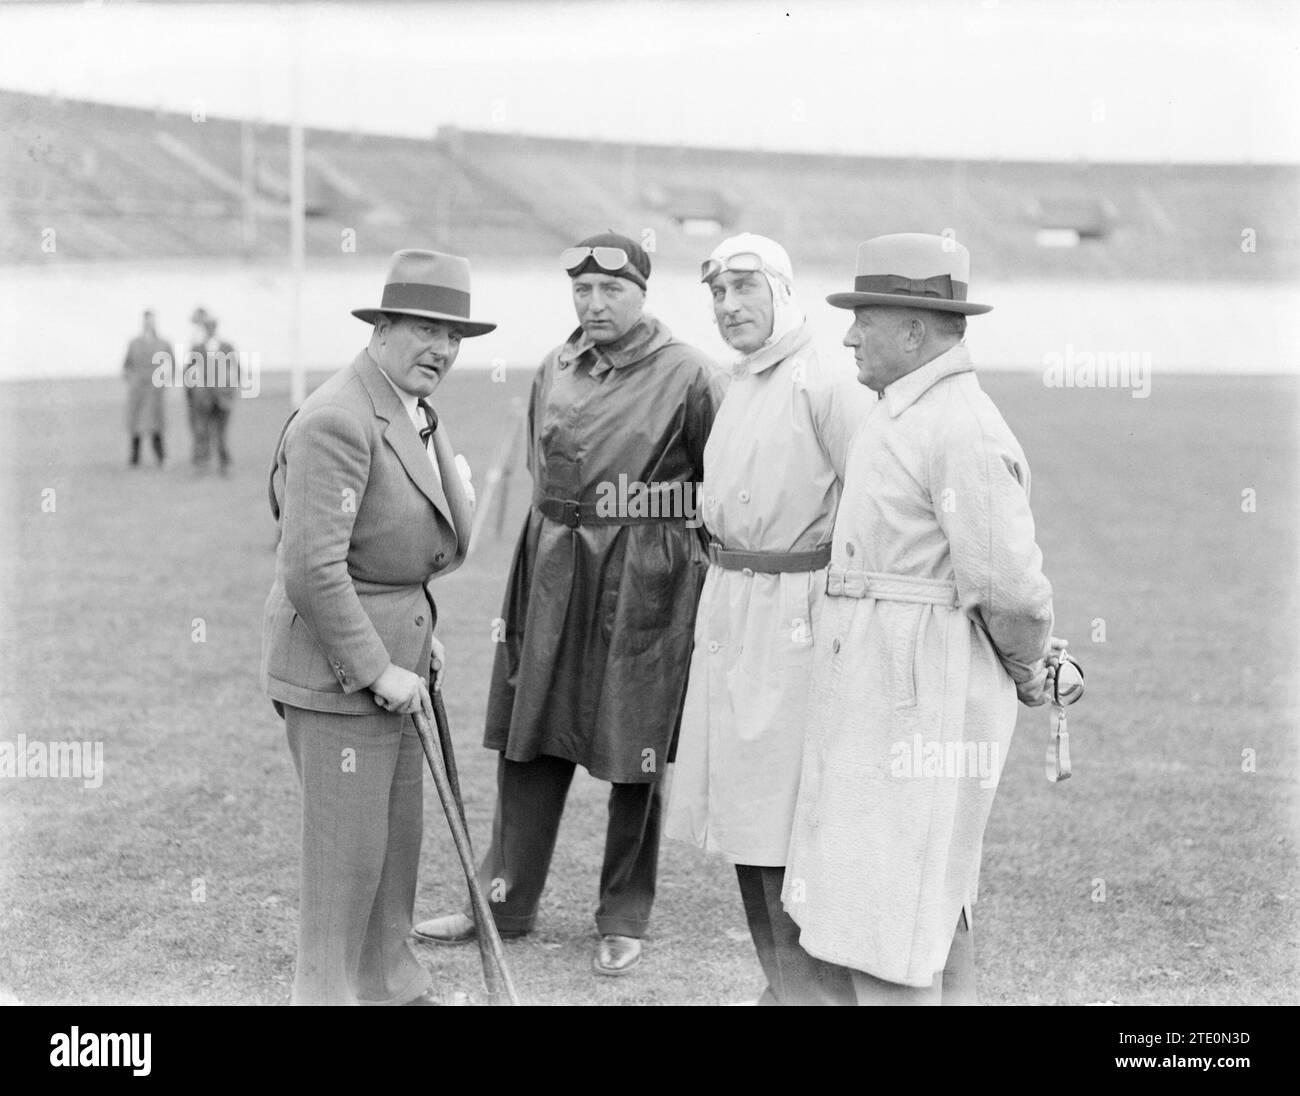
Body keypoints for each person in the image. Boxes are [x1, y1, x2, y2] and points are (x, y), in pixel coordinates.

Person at [413, 231, 725, 976]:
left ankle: (623, 914)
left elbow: (722, 484)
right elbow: (538, 459)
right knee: (529, 735)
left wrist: (669, 551)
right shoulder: (556, 364)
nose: (594, 304)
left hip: (645, 573)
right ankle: (503, 901)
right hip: (553, 563)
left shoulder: (690, 375)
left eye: (611, 290)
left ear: (643, 292)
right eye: (582, 291)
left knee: (634, 749)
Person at [782, 233, 1066, 1005]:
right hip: (882, 683)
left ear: (913, 329)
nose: (847, 336)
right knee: (900, 893)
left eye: (862, 320)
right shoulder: (902, 411)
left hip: (923, 693)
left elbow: (1010, 590)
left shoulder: (962, 427)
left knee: (898, 902)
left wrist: (1029, 667)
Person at [260, 248, 489, 1005]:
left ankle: (391, 985)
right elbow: (312, 570)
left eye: (454, 337)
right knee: (344, 863)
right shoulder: (337, 417)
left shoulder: (412, 407)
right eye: (426, 328)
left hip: (398, 660)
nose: (443, 350)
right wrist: (377, 664)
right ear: (383, 325)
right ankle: (325, 995)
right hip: (337, 673)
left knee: (394, 850)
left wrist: (420, 639)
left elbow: (399, 550)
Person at [664, 233, 872, 1004]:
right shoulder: (740, 381)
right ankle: (784, 986)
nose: (728, 307)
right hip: (733, 615)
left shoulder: (825, 381)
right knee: (746, 821)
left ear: (783, 290)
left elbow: (872, 505)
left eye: (744, 289)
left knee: (791, 824)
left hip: (800, 623)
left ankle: (812, 991)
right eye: (717, 294)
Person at [185, 307, 239, 475]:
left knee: (221, 433)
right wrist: (194, 393)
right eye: (207, 327)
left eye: (212, 326)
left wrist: (229, 393)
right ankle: (201, 464)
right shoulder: (197, 348)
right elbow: (189, 373)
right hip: (203, 399)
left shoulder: (227, 348)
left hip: (222, 399)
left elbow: (235, 371)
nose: (210, 330)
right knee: (202, 432)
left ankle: (225, 464)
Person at [122, 310, 169, 467]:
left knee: (156, 426)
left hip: (155, 390)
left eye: (152, 321)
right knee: (136, 426)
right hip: (138, 390)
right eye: (147, 321)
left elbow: (170, 365)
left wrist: (162, 382)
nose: (150, 324)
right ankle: (134, 459)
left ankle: (161, 457)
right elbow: (127, 365)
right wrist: (132, 381)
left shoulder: (163, 343)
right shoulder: (134, 343)